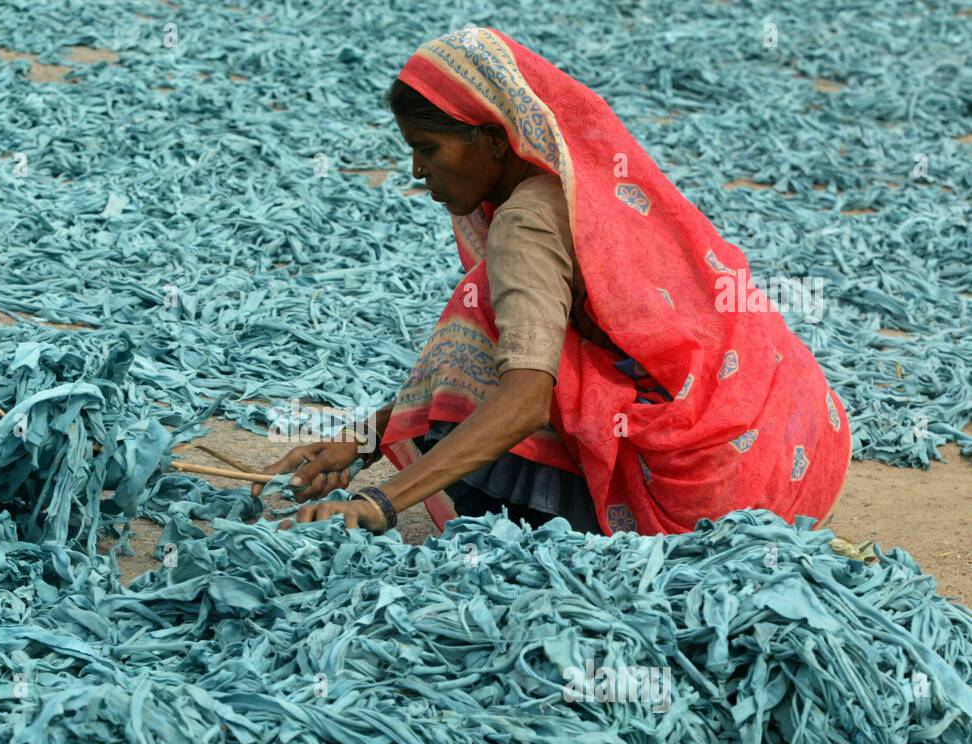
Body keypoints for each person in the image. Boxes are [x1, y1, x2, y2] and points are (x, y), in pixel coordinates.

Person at [255, 27, 851, 537]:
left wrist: (379, 502)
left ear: (492, 139)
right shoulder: (589, 185)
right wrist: (358, 441)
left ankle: (589, 514)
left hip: (703, 505)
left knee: (482, 315)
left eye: (428, 148)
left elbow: (526, 398)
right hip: (793, 452)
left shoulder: (525, 223)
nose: (417, 170)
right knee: (519, 331)